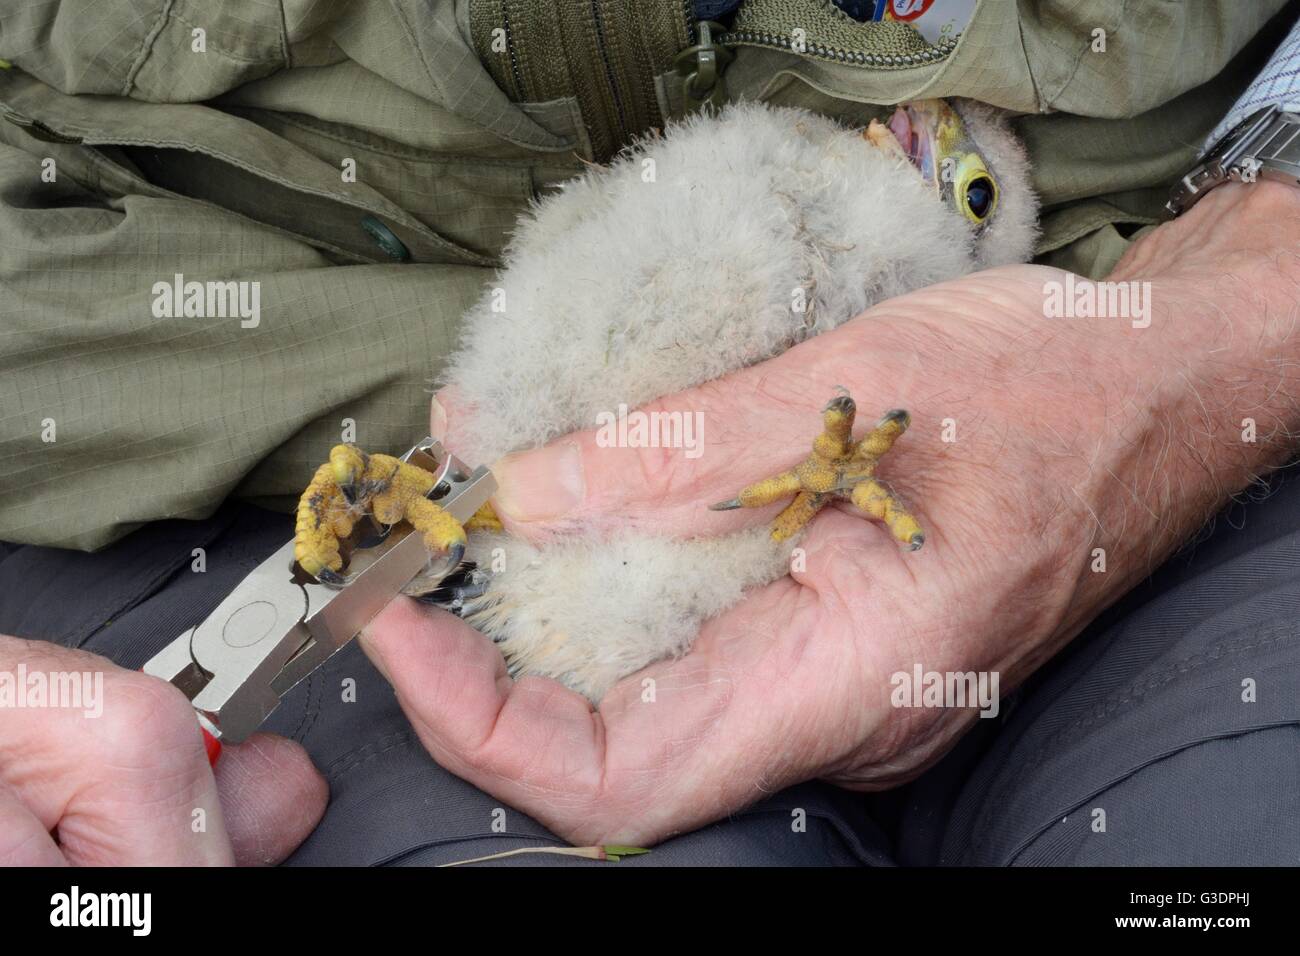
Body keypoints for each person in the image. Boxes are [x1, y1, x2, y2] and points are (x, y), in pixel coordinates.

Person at [0, 1, 1297, 865]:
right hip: (208, 461)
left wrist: (1212, 325)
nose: (922, 144)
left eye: (953, 177)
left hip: (1181, 325)